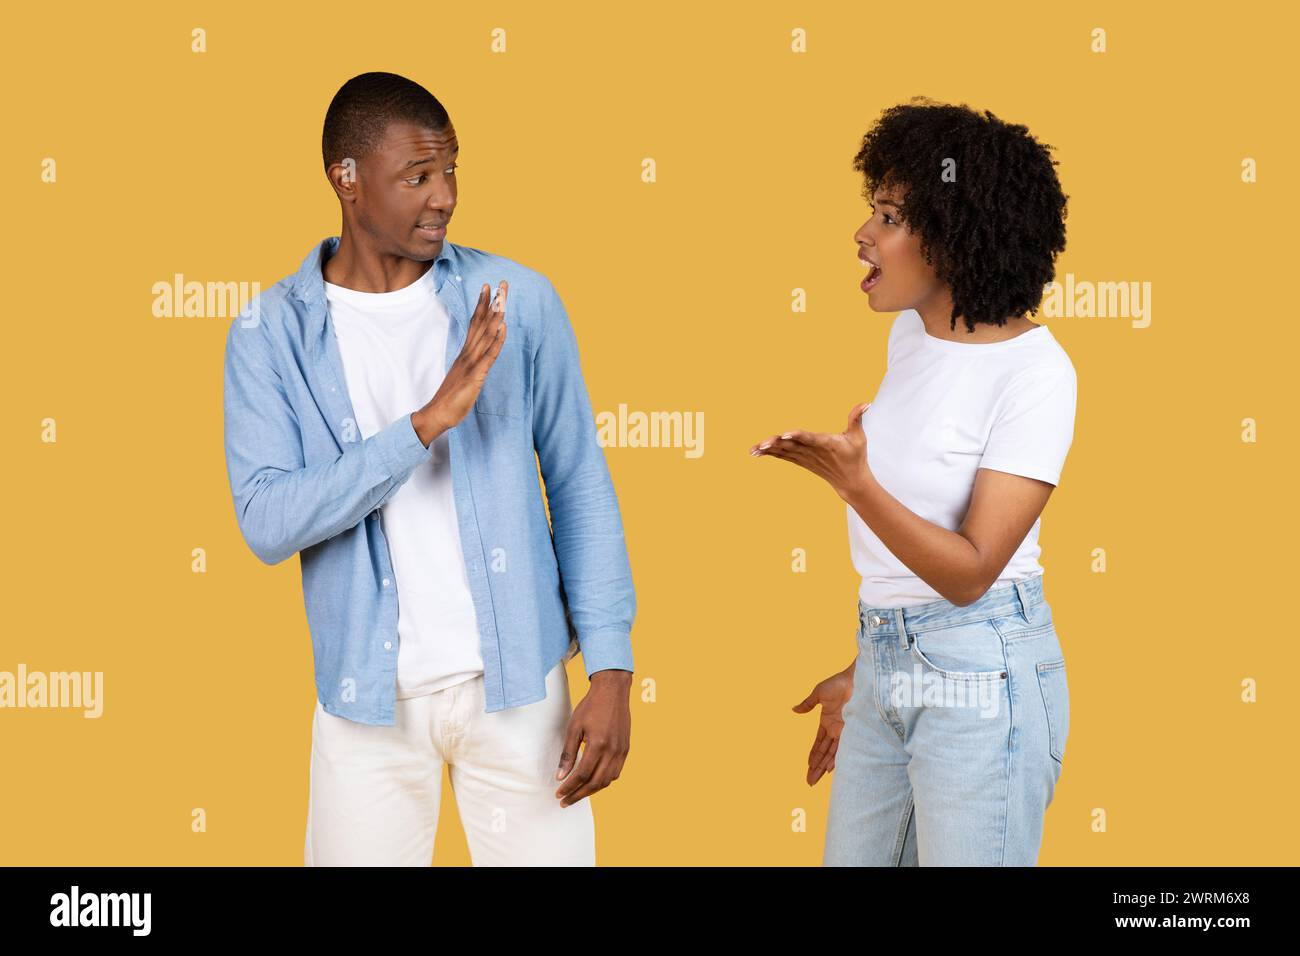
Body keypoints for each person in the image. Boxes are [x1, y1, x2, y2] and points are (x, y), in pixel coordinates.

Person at [221, 72, 636, 866]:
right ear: (346, 179)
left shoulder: (520, 299)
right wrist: (425, 425)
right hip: (365, 707)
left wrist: (612, 668)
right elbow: (267, 522)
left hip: (520, 694)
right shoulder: (269, 333)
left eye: (451, 170)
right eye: (417, 176)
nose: (443, 195)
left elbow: (581, 483)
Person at [751, 98, 1076, 866]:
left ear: (958, 238)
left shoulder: (1036, 375)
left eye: (890, 216)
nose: (863, 235)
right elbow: (913, 559)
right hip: (888, 664)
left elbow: (969, 573)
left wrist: (855, 483)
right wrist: (870, 669)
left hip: (982, 674)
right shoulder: (910, 338)